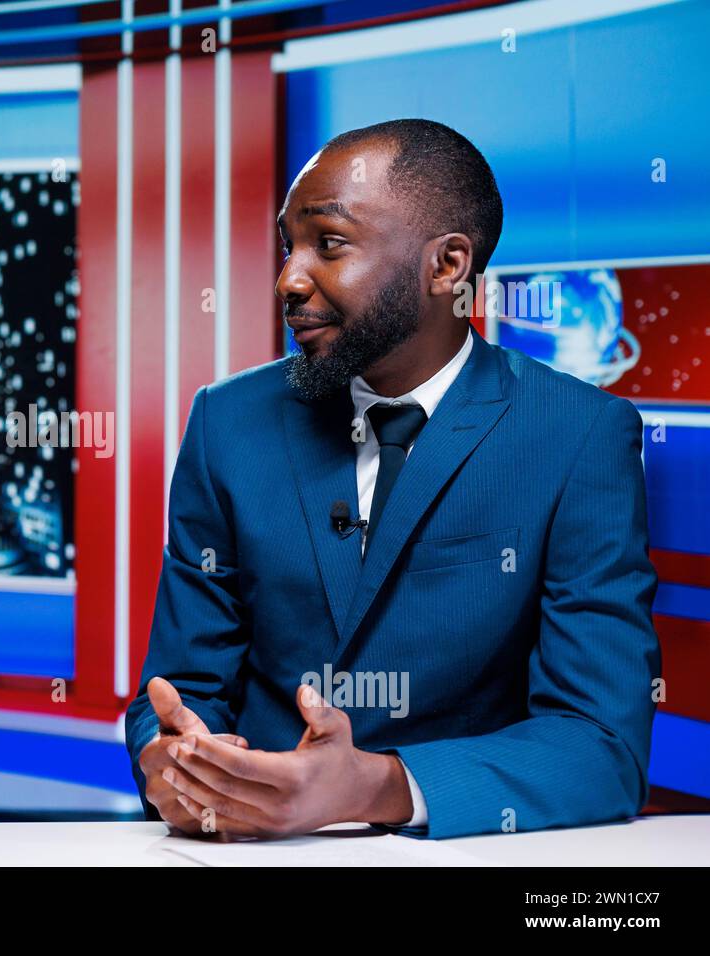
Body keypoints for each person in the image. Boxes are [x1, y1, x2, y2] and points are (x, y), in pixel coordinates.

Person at [126, 119, 660, 840]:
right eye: (289, 245)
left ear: (446, 266)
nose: (289, 277)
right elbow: (181, 690)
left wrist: (375, 787)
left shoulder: (577, 435)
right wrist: (174, 762)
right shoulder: (228, 422)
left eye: (329, 244)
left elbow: (602, 748)